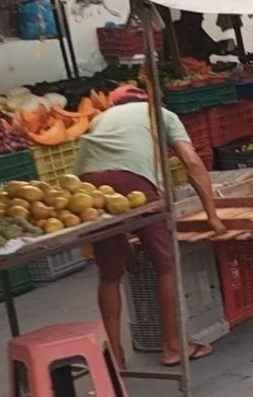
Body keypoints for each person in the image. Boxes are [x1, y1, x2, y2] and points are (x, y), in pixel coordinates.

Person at [75, 84, 227, 368]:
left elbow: (111, 198)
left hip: (86, 188)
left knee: (109, 275)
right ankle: (171, 346)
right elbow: (192, 162)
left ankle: (116, 358)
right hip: (134, 181)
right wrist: (212, 215)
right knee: (166, 263)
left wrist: (128, 256)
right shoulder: (161, 114)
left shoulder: (100, 119)